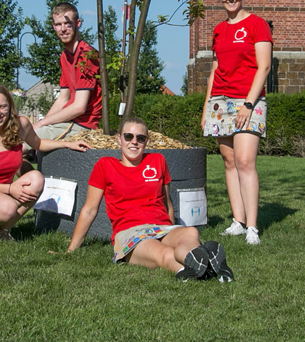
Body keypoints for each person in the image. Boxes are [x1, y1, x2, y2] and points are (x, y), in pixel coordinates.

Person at [68, 118, 234, 282]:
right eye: (128, 136)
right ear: (119, 138)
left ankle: (197, 260)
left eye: (140, 138)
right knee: (165, 253)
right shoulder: (105, 165)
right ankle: (203, 269)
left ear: (146, 141)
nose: (134, 142)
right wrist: (71, 249)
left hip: (161, 227)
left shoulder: (157, 161)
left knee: (190, 232)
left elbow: (166, 203)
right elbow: (89, 210)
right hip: (130, 232)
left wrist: (172, 230)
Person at [0, 84, 90, 241]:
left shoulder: (21, 125)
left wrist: (67, 144)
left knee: (36, 179)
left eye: (2, 107)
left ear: (10, 107)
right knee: (8, 208)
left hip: (3, 193)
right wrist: (10, 188)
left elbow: (38, 144)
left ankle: (4, 230)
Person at [200, 0, 272, 245]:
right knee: (229, 162)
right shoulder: (218, 30)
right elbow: (215, 69)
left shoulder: (257, 24)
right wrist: (206, 109)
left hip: (247, 100)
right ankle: (237, 221)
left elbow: (263, 67)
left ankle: (252, 226)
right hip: (219, 100)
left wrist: (248, 104)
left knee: (244, 161)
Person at [31, 2, 103, 150]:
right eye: (58, 24)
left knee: (17, 145)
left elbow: (79, 107)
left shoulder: (86, 56)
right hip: (68, 121)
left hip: (80, 124)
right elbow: (63, 98)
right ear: (53, 27)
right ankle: (34, 174)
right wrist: (42, 122)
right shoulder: (65, 56)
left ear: (78, 24)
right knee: (18, 144)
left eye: (67, 24)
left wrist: (42, 124)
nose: (63, 29)